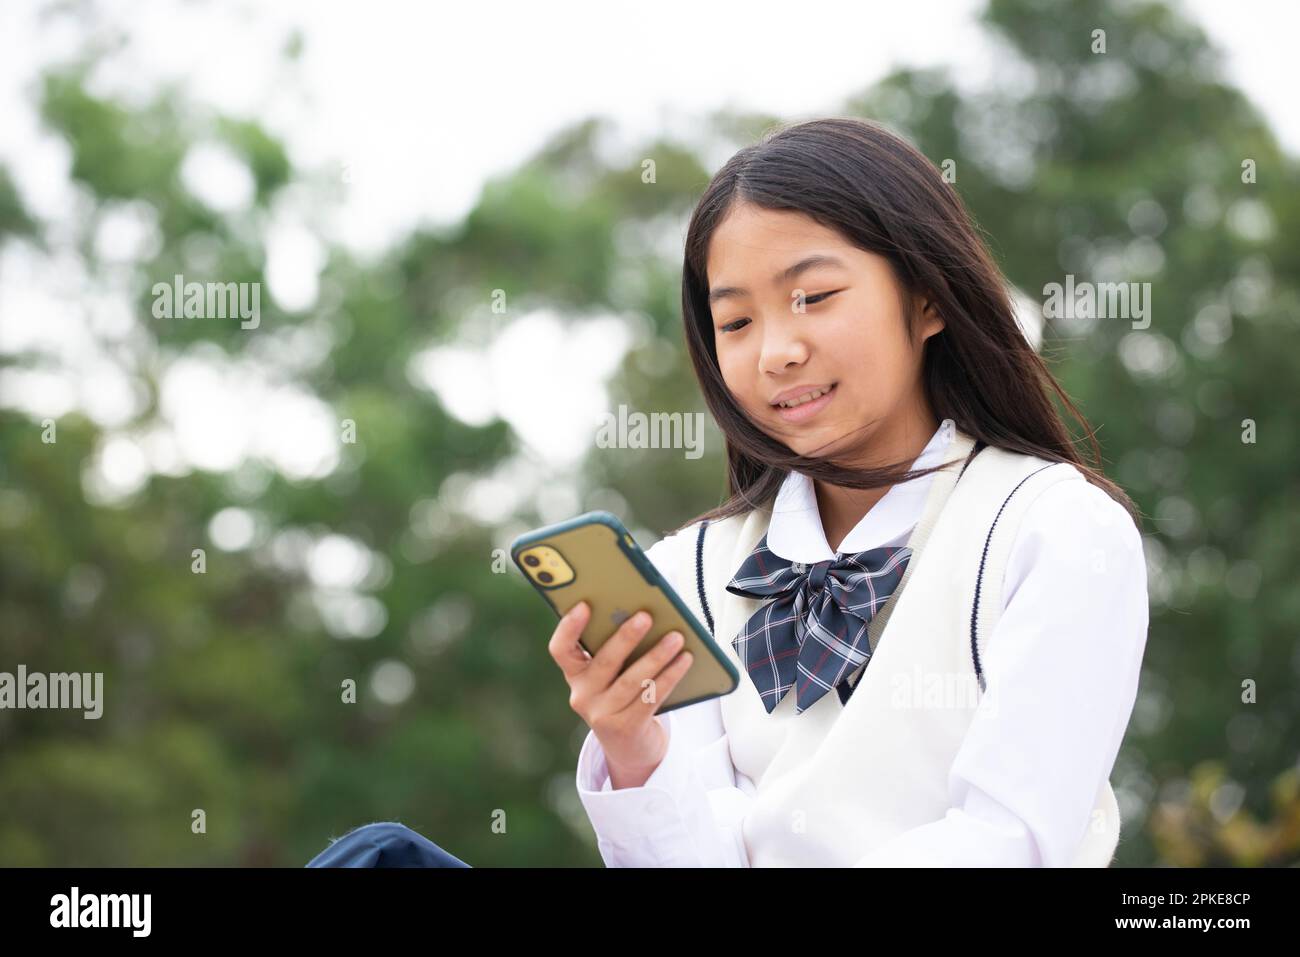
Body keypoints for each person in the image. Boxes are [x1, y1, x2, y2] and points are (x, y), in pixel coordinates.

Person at [311, 116, 1149, 868]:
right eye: (737, 322)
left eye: (813, 298)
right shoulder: (693, 566)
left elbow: (1010, 842)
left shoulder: (1055, 529)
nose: (775, 351)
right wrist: (633, 744)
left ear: (927, 296)